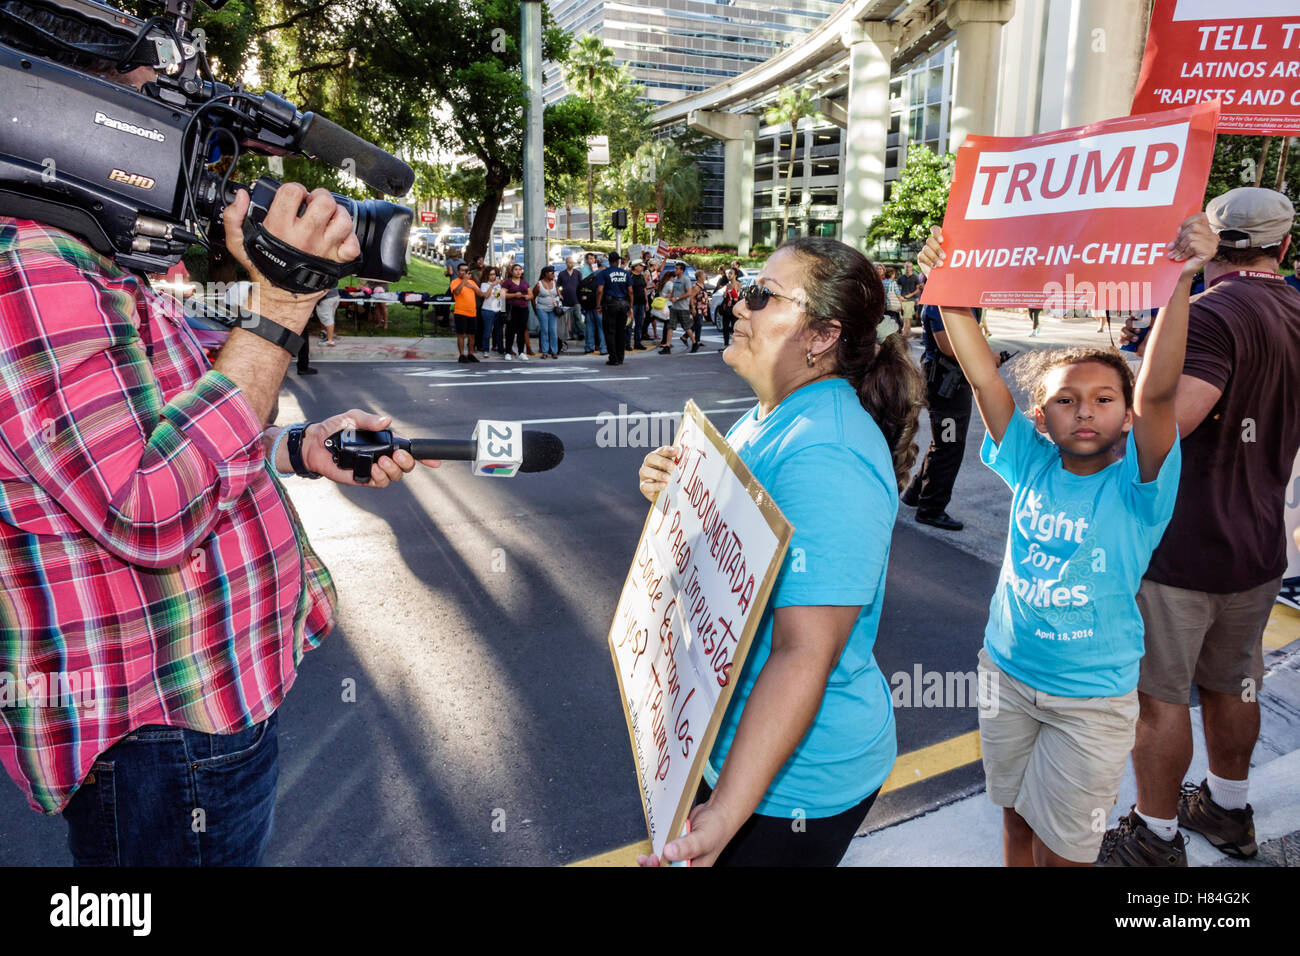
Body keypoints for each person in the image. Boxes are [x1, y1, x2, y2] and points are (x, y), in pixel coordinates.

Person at [0, 13, 440, 865]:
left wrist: (298, 446)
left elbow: (179, 419)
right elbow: (146, 510)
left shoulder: (106, 248)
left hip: (210, 697)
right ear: (60, 104)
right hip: (164, 730)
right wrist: (279, 308)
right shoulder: (29, 264)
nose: (170, 135)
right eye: (148, 104)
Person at [918, 214, 1203, 867]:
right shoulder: (1031, 462)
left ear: (1125, 417)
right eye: (1067, 401)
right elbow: (985, 375)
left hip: (1090, 698)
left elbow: (1160, 392)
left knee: (1066, 851)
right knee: (1017, 829)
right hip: (1007, 675)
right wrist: (949, 282)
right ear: (1041, 420)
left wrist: (1182, 279)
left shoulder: (1140, 486)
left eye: (1104, 398)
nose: (1085, 410)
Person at [635, 237, 924, 866]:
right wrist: (674, 488)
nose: (739, 304)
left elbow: (803, 653)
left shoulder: (828, 453)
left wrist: (727, 812)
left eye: (762, 295)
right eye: (746, 288)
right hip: (733, 744)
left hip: (793, 785)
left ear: (821, 336)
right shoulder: (773, 412)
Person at [1100, 187, 1300, 866]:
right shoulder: (1294, 307)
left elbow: (1165, 430)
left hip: (1182, 550)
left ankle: (1154, 838)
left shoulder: (1211, 315)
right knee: (1234, 682)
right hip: (1259, 545)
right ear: (1285, 247)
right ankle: (1227, 808)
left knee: (1158, 700)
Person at [901, 304, 999, 532]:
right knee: (949, 445)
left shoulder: (958, 300)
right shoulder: (942, 301)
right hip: (945, 385)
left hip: (950, 383)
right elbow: (947, 346)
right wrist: (985, 358)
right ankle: (930, 509)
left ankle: (917, 493)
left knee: (943, 442)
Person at [596, 252, 631, 366]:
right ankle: (621, 357)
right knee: (621, 331)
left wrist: (598, 305)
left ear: (609, 261)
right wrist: (630, 306)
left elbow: (600, 290)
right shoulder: (625, 273)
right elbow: (630, 291)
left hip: (610, 305)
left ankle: (613, 358)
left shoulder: (604, 273)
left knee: (610, 332)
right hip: (623, 304)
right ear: (617, 261)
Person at [449, 262, 482, 363]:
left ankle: (470, 354)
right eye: (462, 270)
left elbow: (480, 294)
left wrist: (472, 286)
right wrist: (464, 281)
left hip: (472, 312)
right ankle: (462, 355)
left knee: (472, 335)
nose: (464, 272)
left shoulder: (472, 282)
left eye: (466, 270)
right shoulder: (455, 282)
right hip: (460, 312)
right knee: (461, 334)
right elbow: (457, 292)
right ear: (458, 271)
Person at [661, 261, 694, 354]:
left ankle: (694, 343)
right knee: (670, 327)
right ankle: (667, 347)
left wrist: (678, 298)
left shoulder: (686, 280)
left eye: (677, 268)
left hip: (683, 307)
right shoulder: (675, 279)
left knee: (687, 327)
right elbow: (673, 292)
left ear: (682, 270)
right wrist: (668, 296)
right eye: (675, 268)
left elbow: (689, 293)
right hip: (674, 307)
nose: (675, 270)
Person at [501, 262, 532, 360]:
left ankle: (521, 352)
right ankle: (508, 351)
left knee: (521, 330)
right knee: (510, 330)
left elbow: (531, 294)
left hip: (523, 308)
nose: (518, 271)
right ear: (512, 271)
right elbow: (501, 295)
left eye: (520, 269)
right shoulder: (508, 282)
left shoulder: (524, 282)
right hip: (512, 308)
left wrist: (528, 297)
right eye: (516, 270)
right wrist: (514, 295)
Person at [532, 265, 561, 359]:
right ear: (545, 274)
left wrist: (559, 299)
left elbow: (557, 294)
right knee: (545, 330)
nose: (553, 274)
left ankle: (554, 351)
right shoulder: (538, 285)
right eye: (551, 272)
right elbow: (533, 297)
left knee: (553, 330)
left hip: (553, 309)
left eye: (554, 272)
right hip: (541, 309)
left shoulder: (555, 282)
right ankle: (544, 351)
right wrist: (535, 309)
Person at [480, 266, 506, 359]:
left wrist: (503, 310)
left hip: (497, 310)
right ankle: (485, 349)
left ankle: (500, 348)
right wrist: (492, 285)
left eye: (494, 274)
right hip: (487, 310)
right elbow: (486, 296)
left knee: (499, 331)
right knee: (487, 331)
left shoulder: (498, 285)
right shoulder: (484, 284)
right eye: (490, 274)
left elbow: (498, 297)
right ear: (487, 275)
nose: (493, 277)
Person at [579, 262, 604, 355]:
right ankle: (603, 348)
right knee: (601, 328)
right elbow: (600, 292)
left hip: (588, 307)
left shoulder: (588, 278)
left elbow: (579, 290)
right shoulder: (602, 278)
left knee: (589, 328)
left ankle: (589, 347)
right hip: (599, 307)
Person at [557, 255, 583, 344]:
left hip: (576, 299)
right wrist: (560, 294)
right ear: (566, 263)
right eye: (569, 262)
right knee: (568, 319)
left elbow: (581, 286)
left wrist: (581, 296)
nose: (571, 264)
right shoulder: (562, 274)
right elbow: (558, 286)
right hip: (565, 300)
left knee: (578, 317)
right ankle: (570, 335)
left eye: (572, 262)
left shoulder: (577, 273)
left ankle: (580, 334)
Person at [629, 260, 650, 350]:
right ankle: (627, 343)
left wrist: (646, 302)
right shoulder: (630, 276)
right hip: (633, 304)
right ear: (635, 266)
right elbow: (629, 291)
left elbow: (644, 289)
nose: (642, 267)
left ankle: (638, 343)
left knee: (639, 324)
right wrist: (630, 305)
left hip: (641, 303)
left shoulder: (641, 276)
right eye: (640, 266)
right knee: (629, 324)